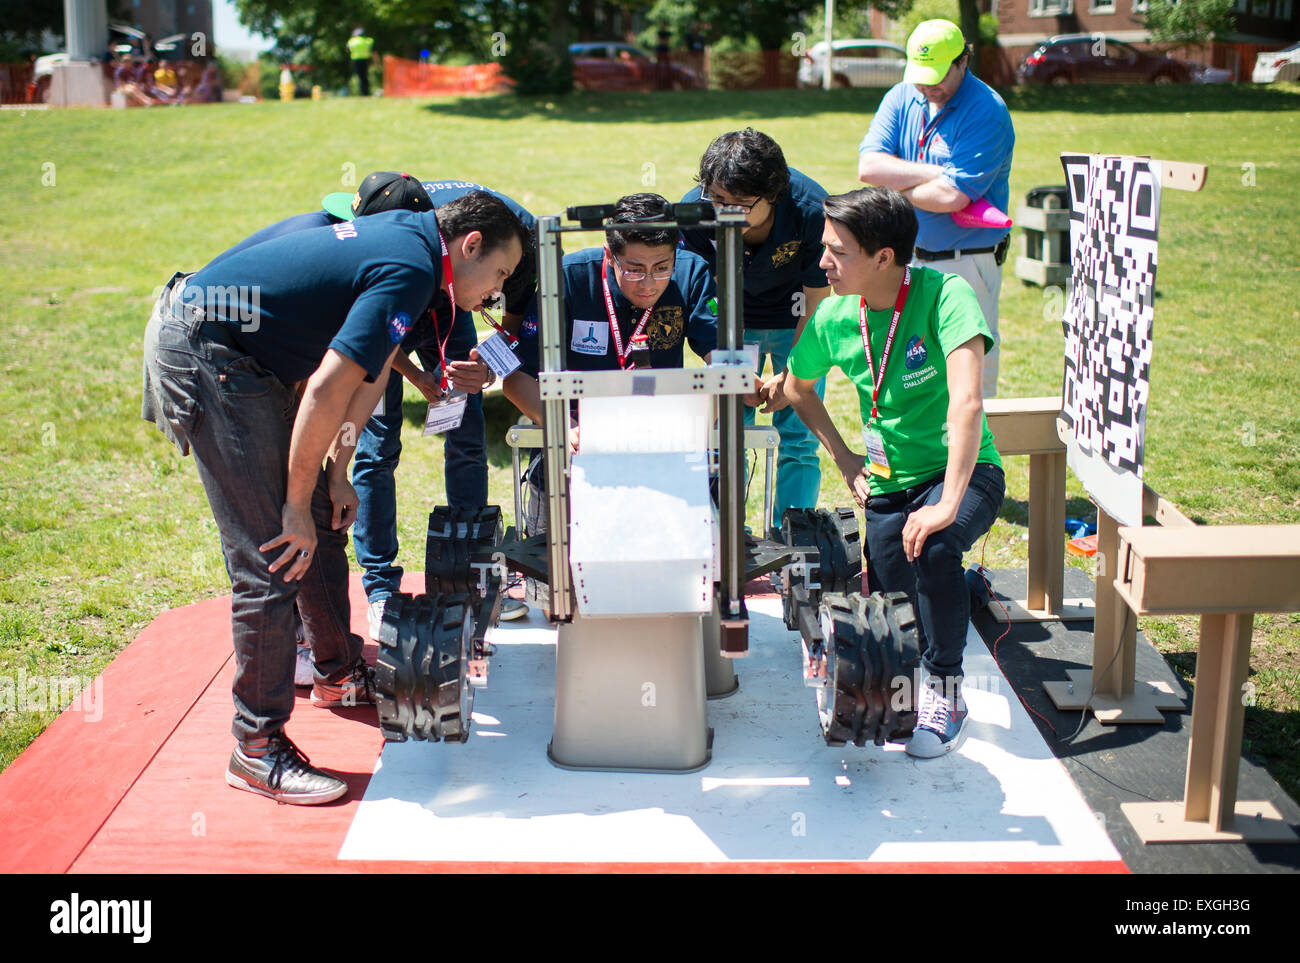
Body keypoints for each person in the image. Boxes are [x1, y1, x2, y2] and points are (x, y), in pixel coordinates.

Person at [141, 192, 527, 804]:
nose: (496, 291)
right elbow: (326, 388)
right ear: (470, 245)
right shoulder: (413, 267)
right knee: (275, 550)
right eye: (500, 273)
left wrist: (335, 473)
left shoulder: (413, 243)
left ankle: (337, 673)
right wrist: (294, 505)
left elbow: (368, 372)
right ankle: (256, 747)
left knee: (319, 513)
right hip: (210, 353)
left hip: (245, 353)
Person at [782, 187, 1005, 758]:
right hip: (886, 483)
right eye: (823, 248)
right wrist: (843, 456)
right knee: (894, 615)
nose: (822, 262)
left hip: (963, 471)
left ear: (885, 258)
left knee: (932, 548)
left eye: (837, 251)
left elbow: (967, 403)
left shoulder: (946, 294)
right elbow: (796, 390)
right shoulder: (833, 315)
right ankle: (967, 590)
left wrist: (948, 504)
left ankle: (948, 691)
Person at [323, 177, 537, 632]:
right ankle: (380, 588)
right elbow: (370, 339)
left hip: (449, 298)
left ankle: (472, 576)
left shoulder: (517, 249)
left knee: (465, 428)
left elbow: (517, 326)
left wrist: (489, 365)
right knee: (377, 447)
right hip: (407, 304)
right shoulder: (379, 245)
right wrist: (416, 375)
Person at [504, 193, 718, 548]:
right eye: (633, 269)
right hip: (573, 453)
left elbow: (723, 364)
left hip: (662, 451)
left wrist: (697, 422)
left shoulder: (691, 273)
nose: (649, 282)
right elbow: (515, 377)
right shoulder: (568, 280)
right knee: (554, 568)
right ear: (609, 255)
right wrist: (561, 427)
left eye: (662, 267)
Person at [679, 128, 832, 535]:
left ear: (775, 195)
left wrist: (795, 374)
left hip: (794, 317)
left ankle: (792, 531)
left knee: (798, 433)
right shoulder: (694, 213)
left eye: (742, 205)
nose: (725, 212)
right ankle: (726, 533)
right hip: (730, 318)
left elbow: (817, 301)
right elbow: (702, 298)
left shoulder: (812, 210)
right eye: (717, 200)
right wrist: (730, 365)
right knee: (726, 430)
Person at [857, 19, 1014, 399]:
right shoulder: (901, 96)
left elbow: (952, 197)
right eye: (920, 75)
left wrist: (895, 193)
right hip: (906, 261)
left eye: (938, 75)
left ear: (963, 61)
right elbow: (869, 167)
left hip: (965, 263)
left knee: (967, 381)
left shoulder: (987, 110)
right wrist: (935, 173)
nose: (928, 86)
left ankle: (973, 460)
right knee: (908, 374)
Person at [347, 27, 376, 96]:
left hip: (356, 60)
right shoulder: (368, 41)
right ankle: (365, 92)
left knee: (359, 77)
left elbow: (348, 50)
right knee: (365, 76)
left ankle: (361, 92)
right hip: (366, 60)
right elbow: (373, 51)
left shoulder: (352, 41)